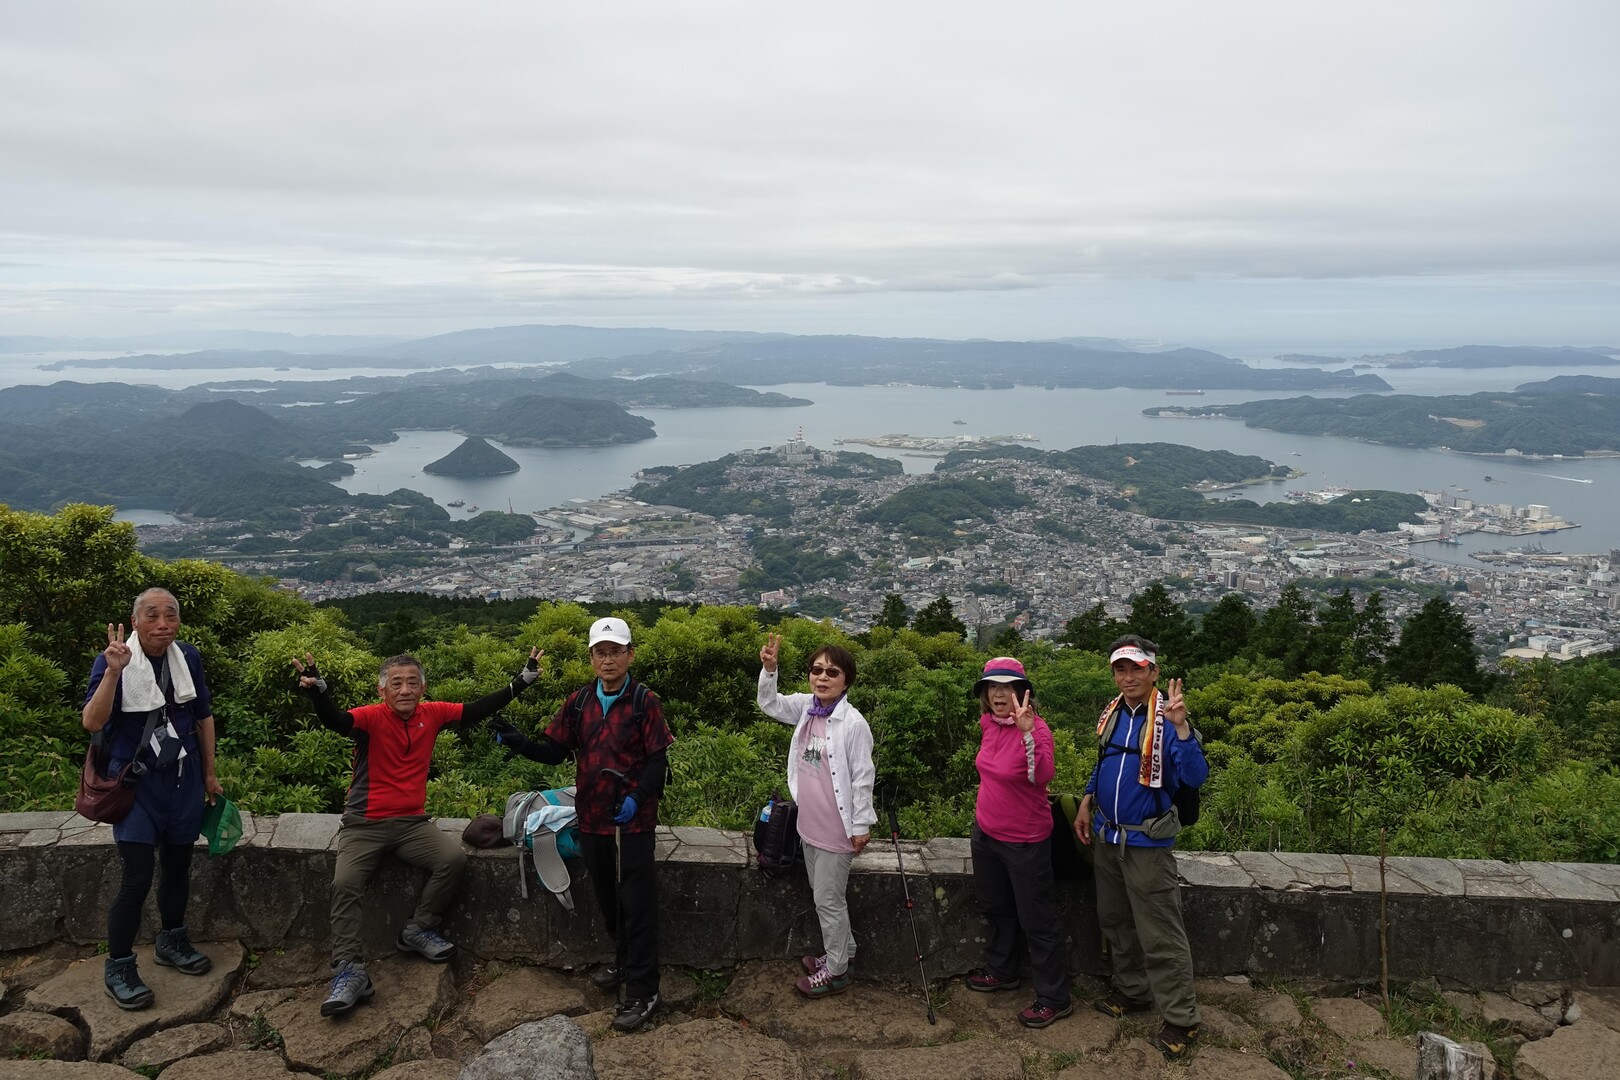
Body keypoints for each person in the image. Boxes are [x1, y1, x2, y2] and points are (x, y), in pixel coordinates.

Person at [293, 645, 542, 1018]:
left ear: (423, 688)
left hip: (411, 823)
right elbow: (337, 721)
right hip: (364, 823)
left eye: (412, 682)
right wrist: (319, 693)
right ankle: (349, 969)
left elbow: (476, 709)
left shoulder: (433, 713)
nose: (405, 689)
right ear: (382, 690)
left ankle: (418, 929)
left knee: (452, 859)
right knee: (345, 883)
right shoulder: (370, 718)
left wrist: (521, 681)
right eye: (396, 683)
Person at [489, 616, 674, 1033]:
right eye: (600, 653)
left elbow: (658, 760)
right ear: (591, 658)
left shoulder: (645, 701)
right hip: (590, 818)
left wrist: (637, 798)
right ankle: (624, 962)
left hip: (633, 823)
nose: (608, 660)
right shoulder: (579, 702)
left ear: (630, 655)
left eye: (616, 652)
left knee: (638, 905)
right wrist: (520, 742)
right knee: (608, 899)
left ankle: (644, 990)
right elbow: (555, 751)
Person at [82, 588, 224, 1010]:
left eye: (171, 615)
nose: (163, 624)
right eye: (152, 615)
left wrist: (210, 773)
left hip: (183, 777)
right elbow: (92, 721)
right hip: (136, 782)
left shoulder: (188, 657)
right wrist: (113, 673)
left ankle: (172, 940)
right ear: (134, 621)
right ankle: (119, 965)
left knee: (178, 867)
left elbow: (203, 716)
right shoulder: (114, 659)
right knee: (137, 877)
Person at [1076, 635, 1208, 1062]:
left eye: (1136, 668)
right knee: (1115, 920)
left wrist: (1182, 728)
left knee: (1160, 933)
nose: (1128, 676)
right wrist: (1086, 800)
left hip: (1147, 842)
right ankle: (1133, 991)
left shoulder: (1167, 720)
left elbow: (1196, 776)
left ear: (1154, 671)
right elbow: (1104, 762)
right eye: (1121, 669)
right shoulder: (1113, 713)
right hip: (1108, 836)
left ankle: (1181, 1018)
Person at [756, 633, 876, 997]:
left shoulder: (852, 724)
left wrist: (861, 825)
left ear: (846, 680)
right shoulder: (807, 707)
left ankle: (836, 971)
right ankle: (844, 953)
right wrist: (770, 670)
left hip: (836, 830)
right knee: (825, 897)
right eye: (816, 670)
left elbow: (862, 778)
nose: (822, 677)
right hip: (808, 825)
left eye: (832, 672)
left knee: (828, 901)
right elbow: (769, 703)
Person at [965, 656, 1073, 1028]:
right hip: (987, 834)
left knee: (1037, 920)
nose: (999, 694)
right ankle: (1001, 970)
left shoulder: (1037, 730)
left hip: (1025, 841)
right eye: (992, 687)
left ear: (1023, 692)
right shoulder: (988, 724)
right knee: (996, 907)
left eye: (1007, 687)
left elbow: (1041, 775)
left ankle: (1054, 998)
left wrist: (1027, 733)